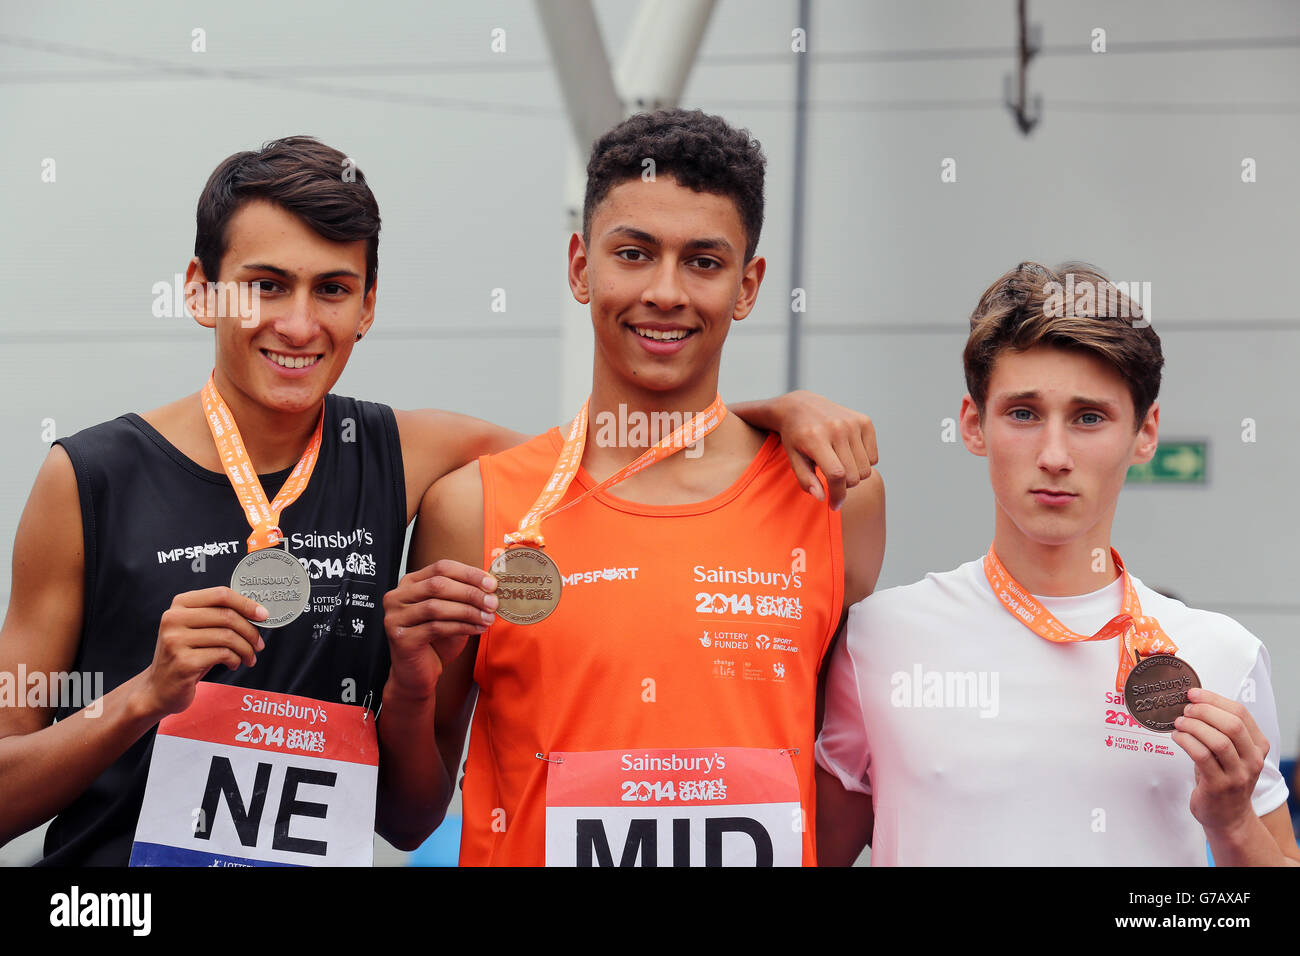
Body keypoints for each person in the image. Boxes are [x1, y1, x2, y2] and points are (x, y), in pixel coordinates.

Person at [0, 135, 877, 865]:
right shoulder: (88, 478)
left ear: (368, 305)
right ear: (200, 289)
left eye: (332, 290)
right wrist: (139, 699)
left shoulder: (413, 456)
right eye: (266, 285)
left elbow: (613, 450)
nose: (299, 324)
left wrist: (772, 415)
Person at [380, 108, 887, 866]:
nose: (665, 291)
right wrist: (408, 690)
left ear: (748, 286)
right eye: (635, 253)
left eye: (704, 263)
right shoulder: (476, 508)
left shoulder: (836, 497)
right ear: (582, 267)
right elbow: (406, 821)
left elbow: (841, 777)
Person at [815, 261, 1300, 866]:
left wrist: (1231, 827)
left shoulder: (1224, 655)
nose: (1053, 455)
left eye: (1089, 418)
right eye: (1023, 413)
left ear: (1145, 434)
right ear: (973, 424)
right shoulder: (878, 638)